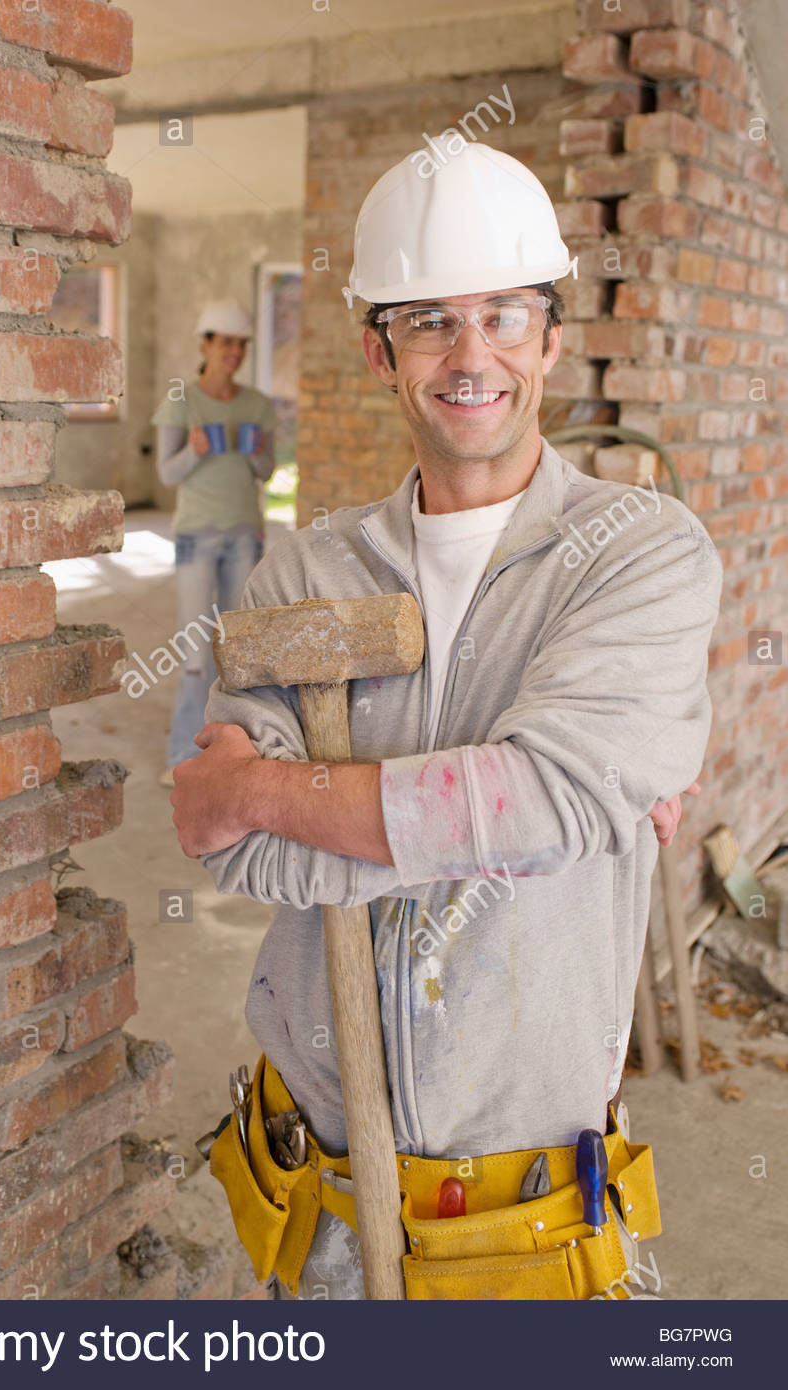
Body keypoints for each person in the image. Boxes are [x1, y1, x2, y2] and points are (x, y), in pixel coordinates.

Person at [170, 144, 723, 1299]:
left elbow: (546, 800)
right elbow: (225, 850)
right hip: (313, 1209)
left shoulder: (640, 554)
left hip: (528, 1228)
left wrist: (276, 793)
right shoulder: (304, 572)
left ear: (551, 339)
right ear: (379, 348)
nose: (472, 357)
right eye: (429, 322)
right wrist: (499, 822)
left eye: (505, 316)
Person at [152, 298, 277, 785]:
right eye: (225, 342)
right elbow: (165, 474)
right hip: (196, 539)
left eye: (240, 344)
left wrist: (257, 454)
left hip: (244, 534)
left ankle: (241, 750)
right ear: (205, 344)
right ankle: (182, 756)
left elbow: (267, 472)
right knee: (194, 650)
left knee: (239, 650)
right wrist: (194, 450)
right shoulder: (181, 400)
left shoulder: (258, 405)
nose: (234, 352)